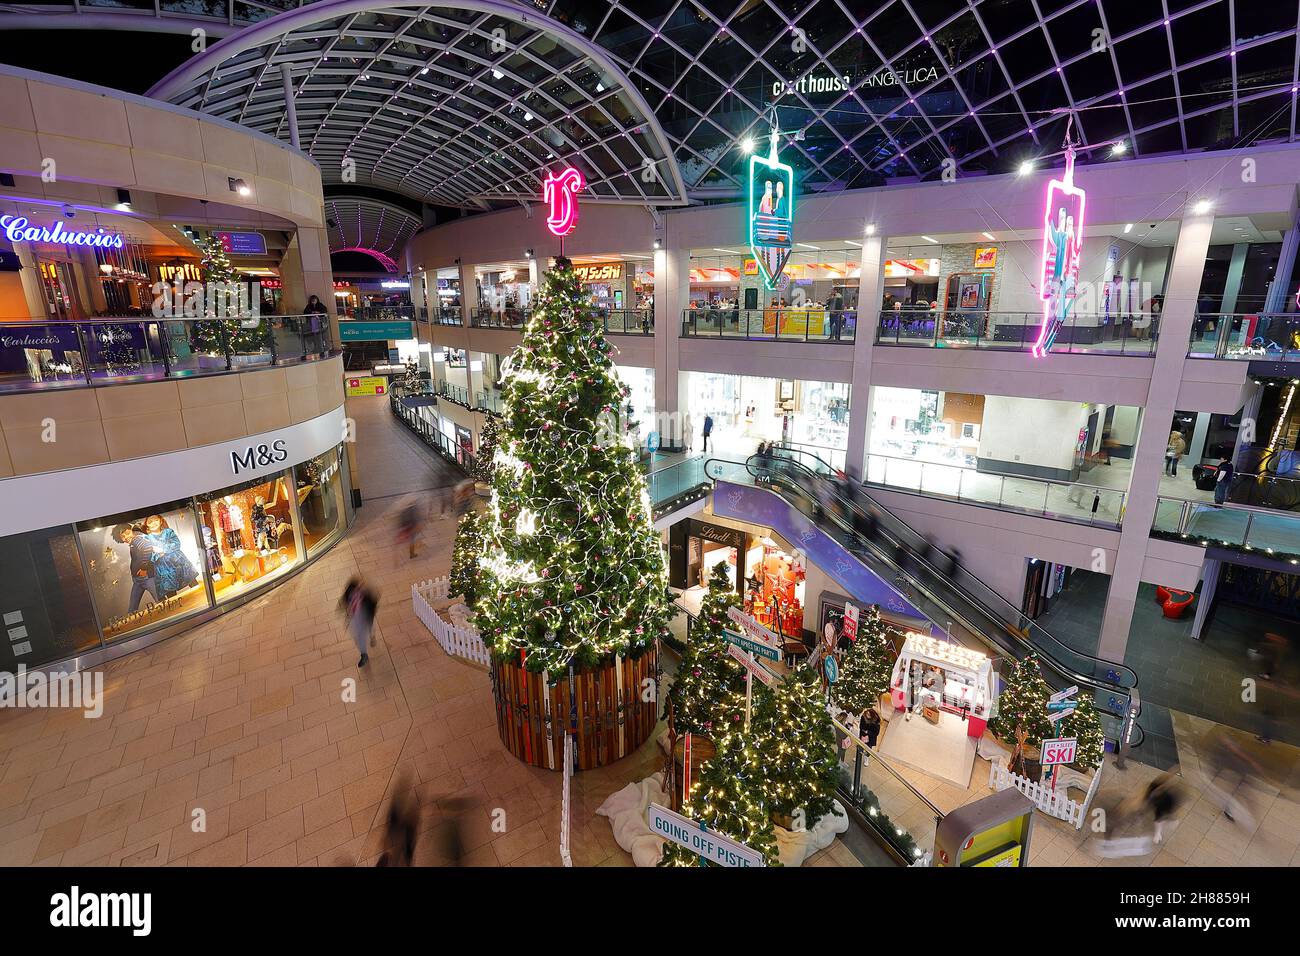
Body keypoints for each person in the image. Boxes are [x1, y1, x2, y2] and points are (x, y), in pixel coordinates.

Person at [141, 514, 199, 599]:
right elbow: (148, 555)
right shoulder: (147, 538)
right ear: (147, 525)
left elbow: (176, 544)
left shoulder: (168, 532)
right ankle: (175, 606)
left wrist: (163, 550)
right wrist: (156, 555)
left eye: (155, 520)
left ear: (161, 521)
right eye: (150, 522)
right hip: (163, 567)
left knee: (191, 581)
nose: (153, 523)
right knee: (169, 589)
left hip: (179, 561)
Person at [114, 523, 158, 614]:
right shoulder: (135, 541)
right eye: (122, 537)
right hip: (138, 580)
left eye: (127, 533)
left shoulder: (138, 539)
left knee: (160, 600)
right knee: (132, 609)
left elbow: (147, 548)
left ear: (131, 529)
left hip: (147, 578)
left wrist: (144, 568)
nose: (125, 538)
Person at [341, 578, 378, 668]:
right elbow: (345, 603)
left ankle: (371, 637)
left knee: (369, 629)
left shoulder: (364, 594)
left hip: (365, 617)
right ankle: (364, 654)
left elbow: (373, 602)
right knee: (358, 637)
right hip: (355, 619)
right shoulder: (349, 594)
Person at [1143, 772, 1181, 845]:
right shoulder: (1154, 787)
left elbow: (1168, 809)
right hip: (1160, 807)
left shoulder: (1168, 797)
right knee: (1159, 820)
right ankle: (1158, 834)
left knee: (1159, 820)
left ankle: (1158, 834)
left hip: (1163, 808)